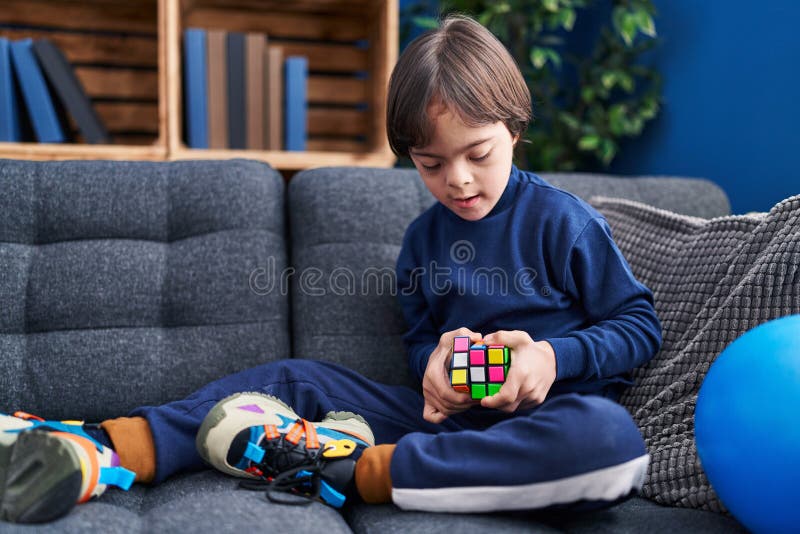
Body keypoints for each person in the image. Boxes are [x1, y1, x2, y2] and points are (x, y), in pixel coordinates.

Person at [0, 14, 662, 524]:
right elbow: (419, 340)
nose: (458, 180)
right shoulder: (423, 242)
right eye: (431, 165)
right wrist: (434, 368)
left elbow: (638, 322)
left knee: (610, 440)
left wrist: (551, 358)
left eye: (478, 154)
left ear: (514, 130)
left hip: (545, 426)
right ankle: (104, 448)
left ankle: (350, 469)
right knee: (296, 377)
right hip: (448, 428)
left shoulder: (561, 219)